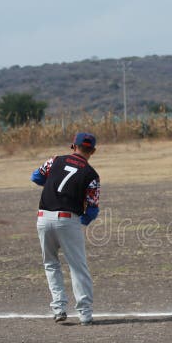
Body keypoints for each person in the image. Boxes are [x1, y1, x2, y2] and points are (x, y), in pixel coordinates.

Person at [31, 132, 101, 326]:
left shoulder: (55, 161)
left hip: (43, 217)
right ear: (93, 151)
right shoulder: (91, 174)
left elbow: (36, 177)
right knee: (78, 267)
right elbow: (93, 208)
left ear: (73, 146)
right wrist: (80, 223)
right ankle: (85, 314)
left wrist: (53, 183)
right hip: (69, 219)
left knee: (51, 264)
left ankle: (59, 308)